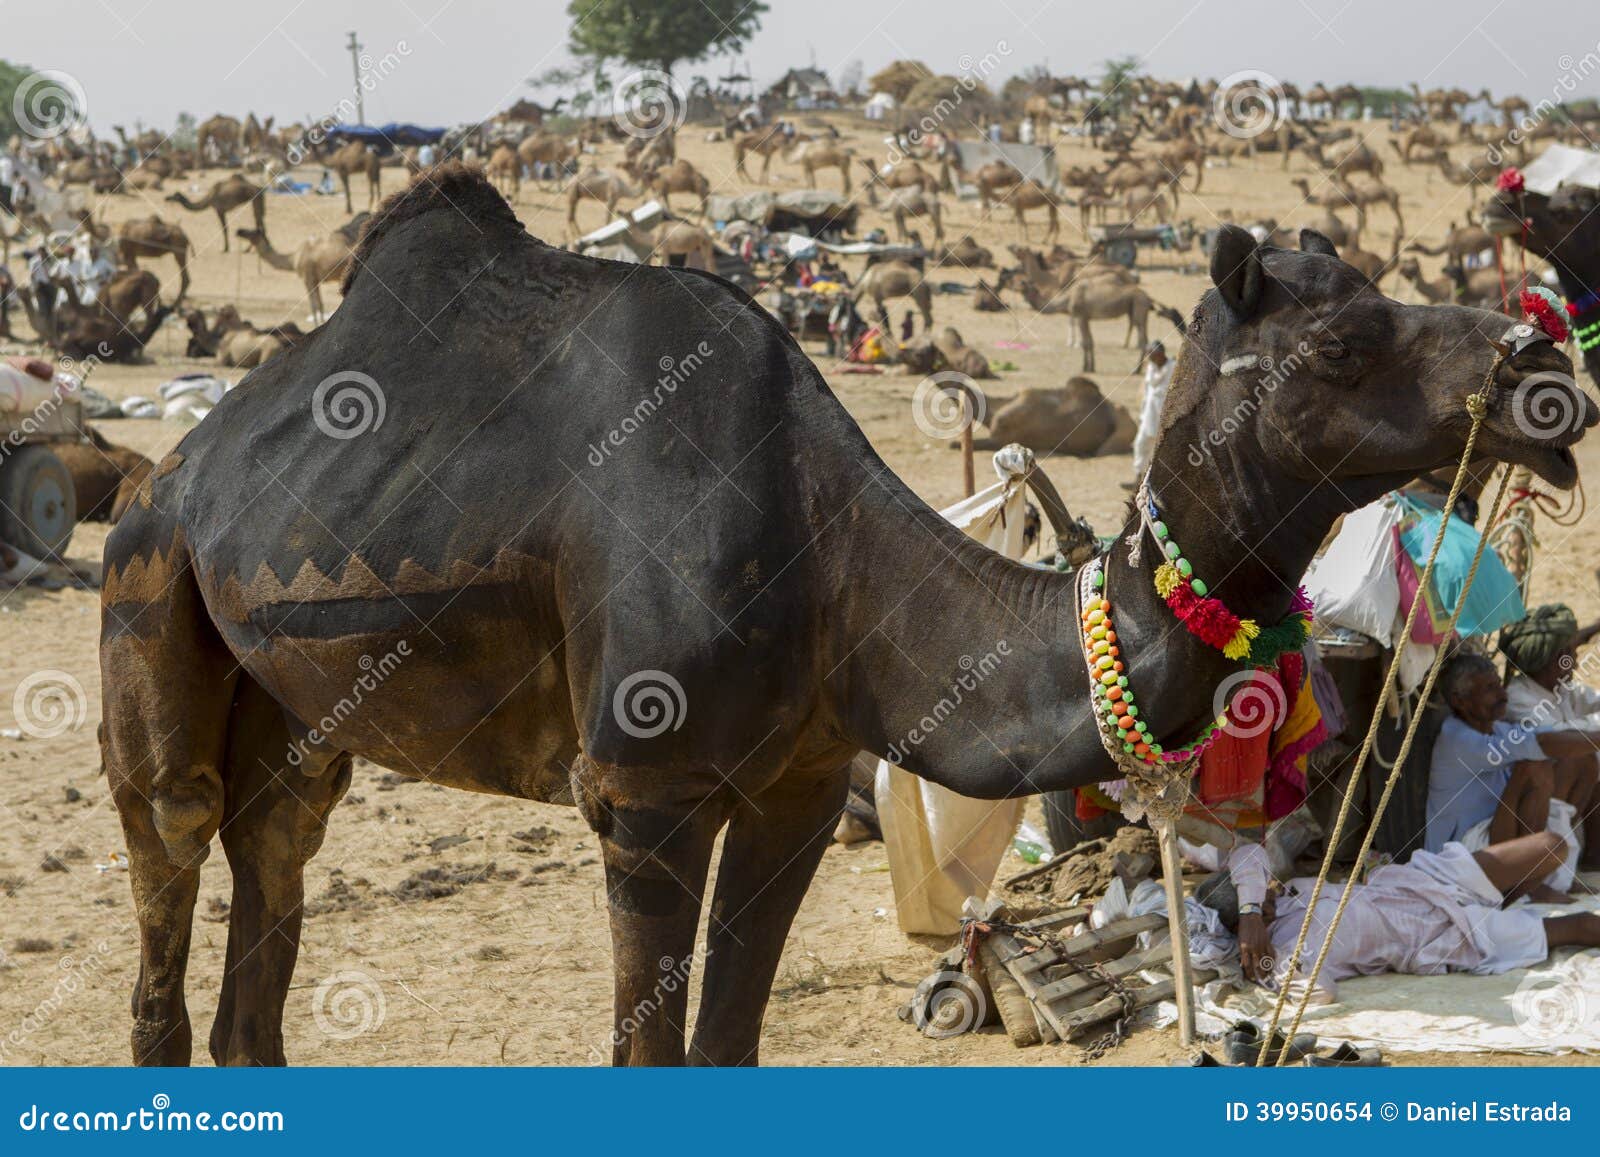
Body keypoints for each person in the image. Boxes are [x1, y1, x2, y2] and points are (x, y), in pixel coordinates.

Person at [1202, 831, 1600, 1001]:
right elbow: (1321, 993)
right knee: (1581, 927)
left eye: (1258, 896)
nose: (1269, 894)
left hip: (1423, 881)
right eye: (1260, 902)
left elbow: (1248, 852)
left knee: (1552, 846)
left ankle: (1504, 900)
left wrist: (1251, 911)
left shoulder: (1275, 900)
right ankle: (1504, 915)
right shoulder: (1288, 954)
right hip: (1441, 938)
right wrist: (1269, 968)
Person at [1427, 652, 1600, 895]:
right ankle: (1527, 887)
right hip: (1463, 853)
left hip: (1496, 834)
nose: (1502, 694)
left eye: (1498, 684)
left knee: (1581, 759)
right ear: (1460, 700)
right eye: (1489, 689)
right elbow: (1542, 743)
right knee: (1532, 767)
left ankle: (1548, 874)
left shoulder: (1497, 728)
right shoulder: (1457, 738)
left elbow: (1551, 736)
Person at [1502, 604, 1600, 867]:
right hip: (1532, 809)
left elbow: (1593, 702)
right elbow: (1564, 741)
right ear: (1542, 660)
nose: (1575, 661)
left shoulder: (1559, 688)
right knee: (1584, 757)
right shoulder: (1518, 699)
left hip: (1566, 798)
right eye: (1566, 654)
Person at [1127, 340, 1172, 488]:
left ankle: (1157, 483)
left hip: (1164, 416)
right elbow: (1147, 392)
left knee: (1161, 451)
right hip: (1148, 415)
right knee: (1140, 445)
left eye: (1152, 356)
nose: (1150, 360)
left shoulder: (1173, 368)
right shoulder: (1151, 368)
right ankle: (1138, 478)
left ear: (1160, 354)